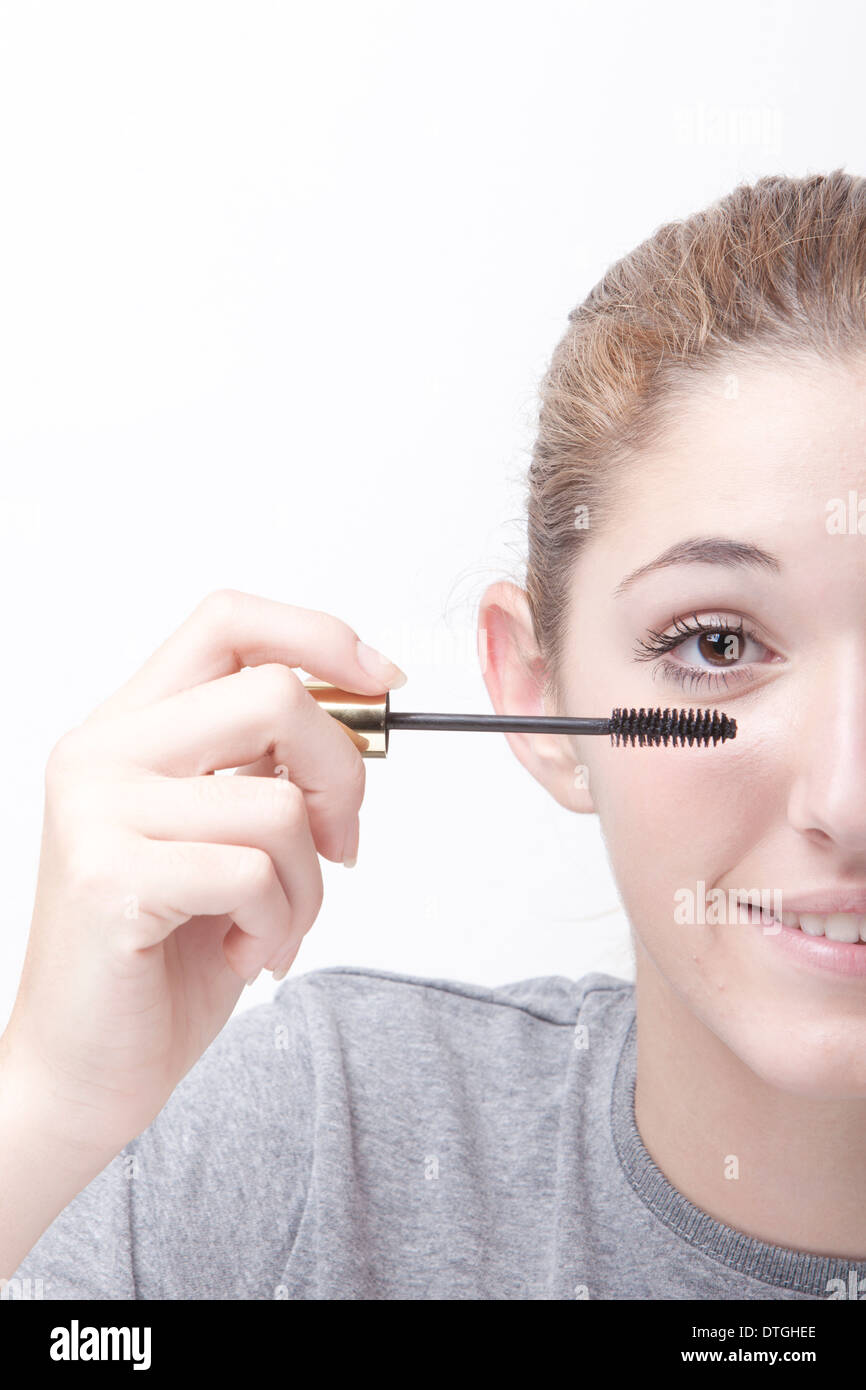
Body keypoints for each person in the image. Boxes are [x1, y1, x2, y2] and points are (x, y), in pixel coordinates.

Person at [4, 168, 866, 1300]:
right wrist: (50, 1104)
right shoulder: (318, 1149)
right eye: (711, 644)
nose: (844, 802)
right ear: (536, 696)